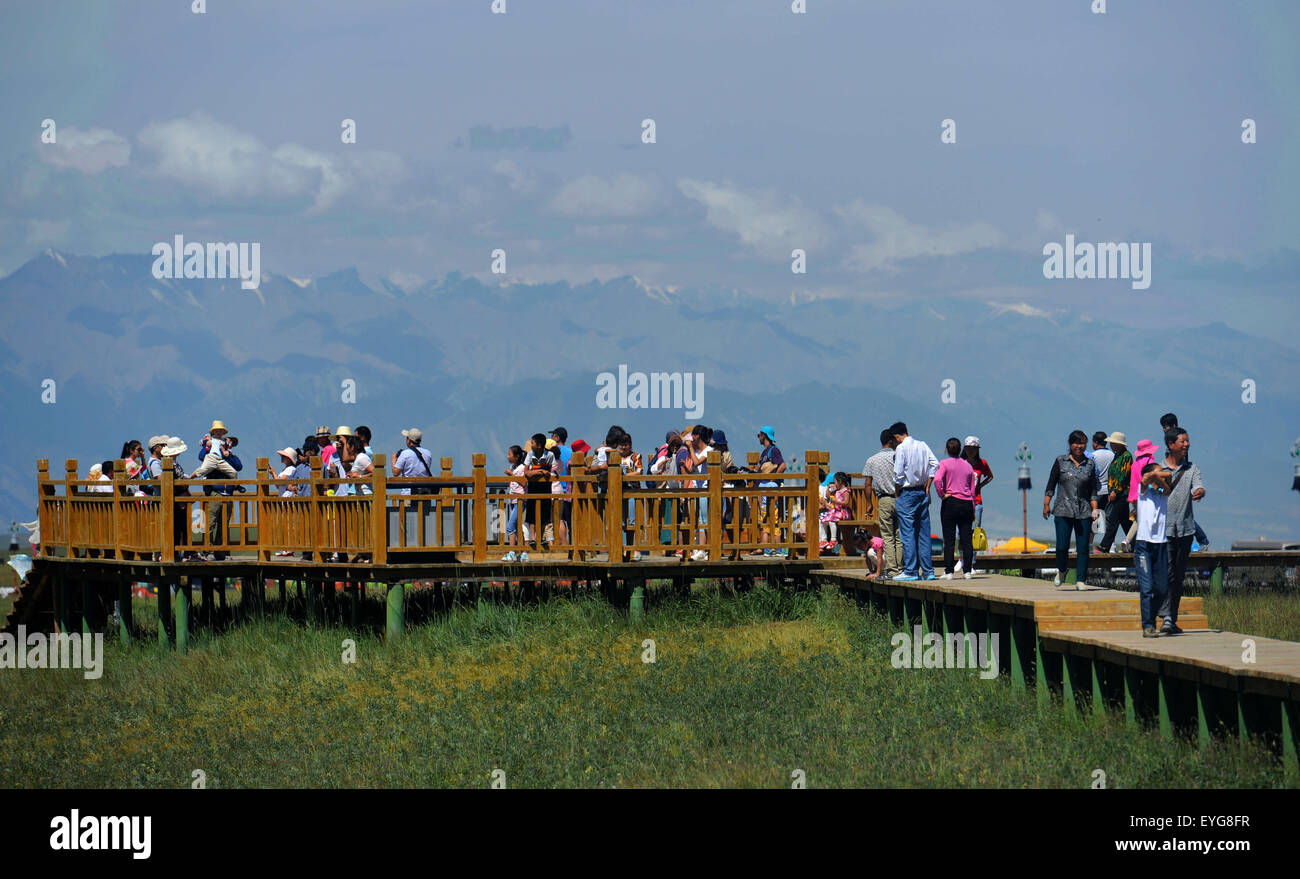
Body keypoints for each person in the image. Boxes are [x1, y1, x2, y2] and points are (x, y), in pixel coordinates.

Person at [1158, 427, 1205, 635]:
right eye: (1182, 442)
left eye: (1187, 441)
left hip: (1185, 530)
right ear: (1171, 445)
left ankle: (1171, 618)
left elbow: (1199, 486)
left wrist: (1199, 491)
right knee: (1166, 574)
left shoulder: (1192, 468)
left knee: (1177, 576)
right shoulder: (1158, 469)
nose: (1186, 444)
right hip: (1163, 530)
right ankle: (1166, 616)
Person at [1043, 429, 1101, 590]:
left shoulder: (1090, 464)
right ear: (1070, 444)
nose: (1079, 446)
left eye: (1082, 443)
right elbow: (1051, 483)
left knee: (1083, 547)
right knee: (1062, 546)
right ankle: (1062, 571)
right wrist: (1046, 504)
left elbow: (1093, 490)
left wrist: (1095, 509)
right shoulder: (1061, 461)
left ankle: (1081, 580)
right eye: (1076, 443)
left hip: (1084, 511)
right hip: (1063, 509)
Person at [890, 422, 939, 581]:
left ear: (896, 437)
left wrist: (897, 492)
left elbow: (898, 474)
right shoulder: (923, 445)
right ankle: (928, 571)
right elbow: (935, 464)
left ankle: (910, 570)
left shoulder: (901, 448)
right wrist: (928, 484)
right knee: (924, 532)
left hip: (908, 492)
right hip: (922, 491)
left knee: (908, 532)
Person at [1134, 460, 1173, 637]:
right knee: (1147, 588)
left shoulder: (1163, 493)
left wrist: (1160, 476)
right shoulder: (1143, 491)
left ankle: (1153, 616)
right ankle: (1148, 625)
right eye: (1158, 471)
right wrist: (1155, 475)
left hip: (1161, 544)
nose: (1162, 473)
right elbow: (1147, 477)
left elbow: (1169, 476)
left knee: (1162, 589)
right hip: (1144, 544)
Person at [1159, 413, 1209, 549]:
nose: (1164, 429)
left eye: (1166, 426)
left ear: (1173, 425)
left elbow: (1183, 466)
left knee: (1185, 517)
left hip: (1180, 485)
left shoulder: (1179, 442)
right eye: (1163, 427)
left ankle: (1203, 540)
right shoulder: (1174, 441)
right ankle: (1203, 540)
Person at [934, 437, 978, 579]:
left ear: (946, 450)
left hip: (951, 501)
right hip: (966, 503)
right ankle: (967, 571)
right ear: (961, 450)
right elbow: (972, 490)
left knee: (949, 539)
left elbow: (937, 480)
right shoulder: (968, 466)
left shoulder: (944, 464)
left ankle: (949, 571)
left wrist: (942, 494)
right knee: (966, 539)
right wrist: (972, 507)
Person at [863, 429, 901, 577]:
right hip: (900, 498)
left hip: (883, 499)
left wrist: (869, 503)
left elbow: (867, 484)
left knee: (887, 536)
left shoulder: (872, 460)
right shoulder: (897, 456)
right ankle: (901, 567)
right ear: (891, 441)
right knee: (899, 535)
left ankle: (892, 569)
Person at [1097, 431, 1133, 553]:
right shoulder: (1116, 455)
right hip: (1114, 492)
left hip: (1122, 494)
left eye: (1113, 443)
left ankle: (1105, 545)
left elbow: (1123, 475)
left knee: (1113, 519)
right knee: (1125, 521)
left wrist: (1115, 491)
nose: (1111, 445)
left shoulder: (1126, 456)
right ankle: (1135, 543)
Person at [522, 433, 558, 555]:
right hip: (533, 487)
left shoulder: (550, 455)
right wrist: (541, 471)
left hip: (545, 487)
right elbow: (526, 473)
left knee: (544, 513)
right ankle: (533, 538)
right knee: (531, 512)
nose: (531, 445)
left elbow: (551, 472)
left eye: (532, 443)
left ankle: (541, 537)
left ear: (539, 445)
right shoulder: (529, 455)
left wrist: (536, 472)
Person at [756, 425, 787, 555]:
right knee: (765, 517)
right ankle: (766, 547)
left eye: (759, 435)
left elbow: (783, 465)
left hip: (770, 487)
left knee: (773, 516)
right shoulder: (765, 452)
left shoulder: (773, 450)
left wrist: (773, 479)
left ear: (765, 436)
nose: (758, 437)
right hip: (763, 488)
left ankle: (775, 547)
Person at [1087, 431, 1114, 550]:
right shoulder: (1113, 455)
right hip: (1109, 491)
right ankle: (1110, 544)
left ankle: (1089, 545)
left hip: (1096, 491)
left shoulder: (1092, 456)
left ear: (1095, 442)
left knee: (1094, 519)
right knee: (1109, 519)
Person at [502, 445, 527, 561]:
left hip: (520, 500)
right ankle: (523, 553)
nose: (508, 456)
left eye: (509, 454)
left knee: (510, 526)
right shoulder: (513, 467)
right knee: (516, 527)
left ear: (516, 457)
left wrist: (511, 475)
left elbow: (523, 483)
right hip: (513, 499)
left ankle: (512, 552)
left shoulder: (522, 468)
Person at [550, 427, 573, 548]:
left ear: (557, 438)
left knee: (558, 520)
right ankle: (571, 545)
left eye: (552, 435)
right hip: (569, 491)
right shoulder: (571, 453)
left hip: (555, 490)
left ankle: (563, 546)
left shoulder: (551, 453)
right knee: (569, 521)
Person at [818, 471, 851, 552]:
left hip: (842, 512)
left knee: (831, 521)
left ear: (839, 481)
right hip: (835, 511)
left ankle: (833, 539)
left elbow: (846, 503)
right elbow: (828, 495)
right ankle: (824, 539)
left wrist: (836, 501)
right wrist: (829, 488)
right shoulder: (837, 489)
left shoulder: (845, 491)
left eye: (835, 482)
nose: (835, 483)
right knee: (823, 521)